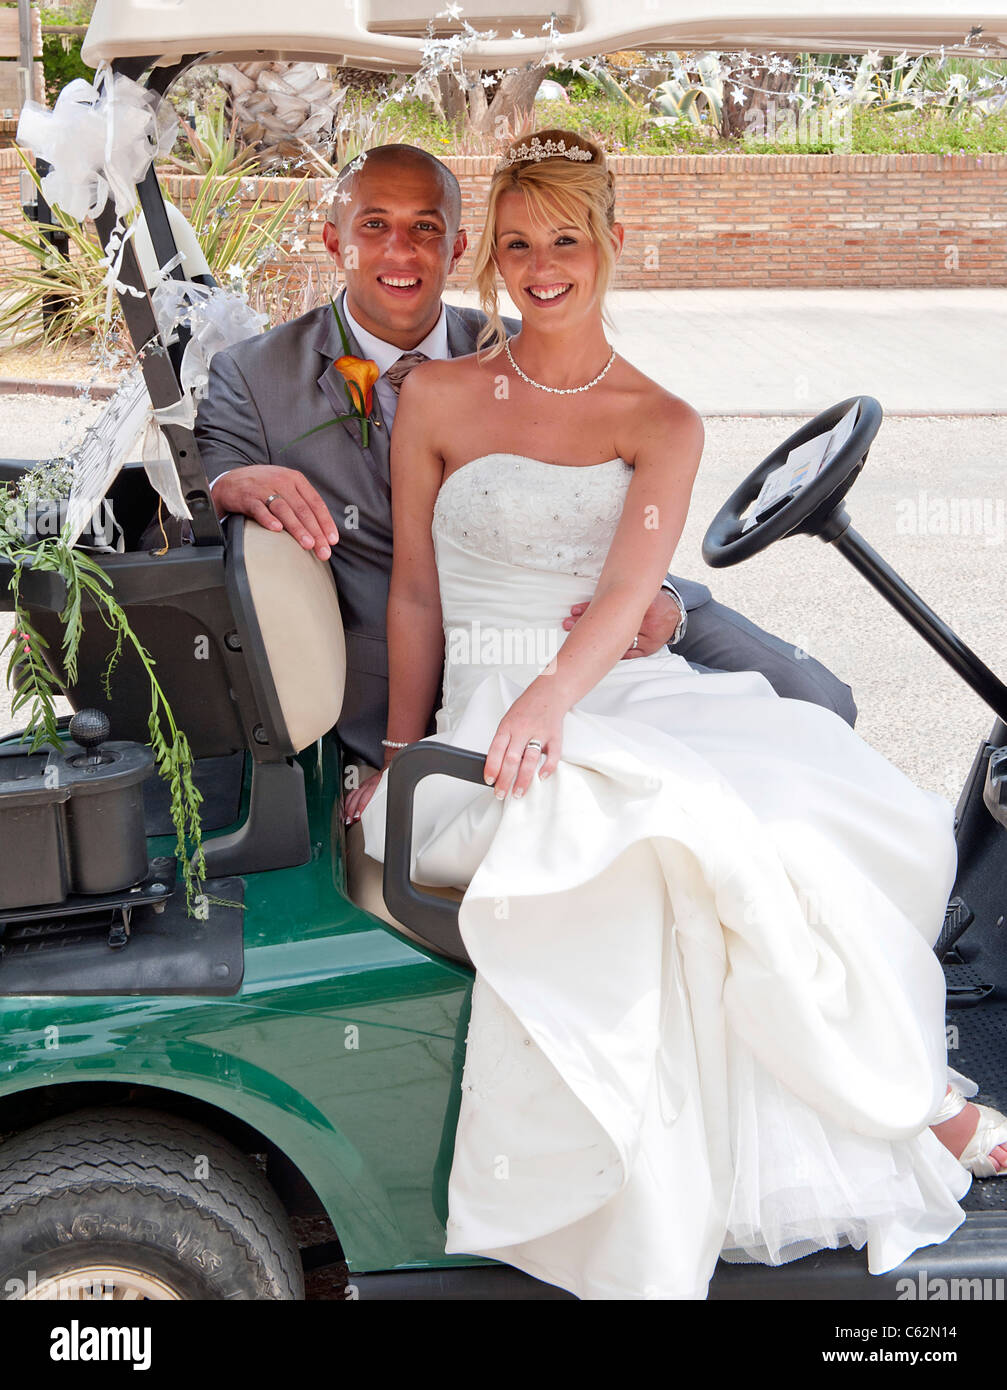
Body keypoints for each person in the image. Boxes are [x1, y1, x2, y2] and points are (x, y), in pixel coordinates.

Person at [347, 129, 1007, 1301]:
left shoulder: (662, 419)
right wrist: (402, 757)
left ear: (611, 244)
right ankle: (922, 1106)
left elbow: (619, 600)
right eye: (515, 244)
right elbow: (412, 591)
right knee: (678, 833)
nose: (540, 266)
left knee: (815, 807)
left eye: (565, 239)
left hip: (603, 683)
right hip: (492, 699)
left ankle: (899, 1099)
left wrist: (559, 694)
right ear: (488, 258)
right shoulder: (434, 395)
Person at [194, 142, 856, 776]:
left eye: (425, 228)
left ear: (456, 246)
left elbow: (610, 496)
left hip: (601, 609)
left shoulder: (530, 344)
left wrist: (654, 602)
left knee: (817, 703)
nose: (401, 250)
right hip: (418, 651)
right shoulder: (254, 375)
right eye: (374, 226)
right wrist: (227, 482)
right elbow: (191, 487)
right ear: (334, 239)